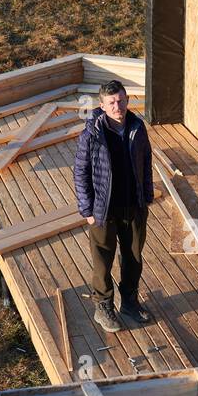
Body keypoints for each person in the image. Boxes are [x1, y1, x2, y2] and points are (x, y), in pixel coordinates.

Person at [73, 79, 154, 333]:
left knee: (133, 257)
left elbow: (146, 161)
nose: (117, 106)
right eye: (111, 102)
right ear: (102, 105)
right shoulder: (92, 134)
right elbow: (80, 172)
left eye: (120, 100)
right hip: (103, 211)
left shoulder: (137, 128)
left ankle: (129, 302)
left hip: (134, 207)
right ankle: (103, 306)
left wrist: (147, 196)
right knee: (102, 260)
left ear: (127, 100)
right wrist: (87, 210)